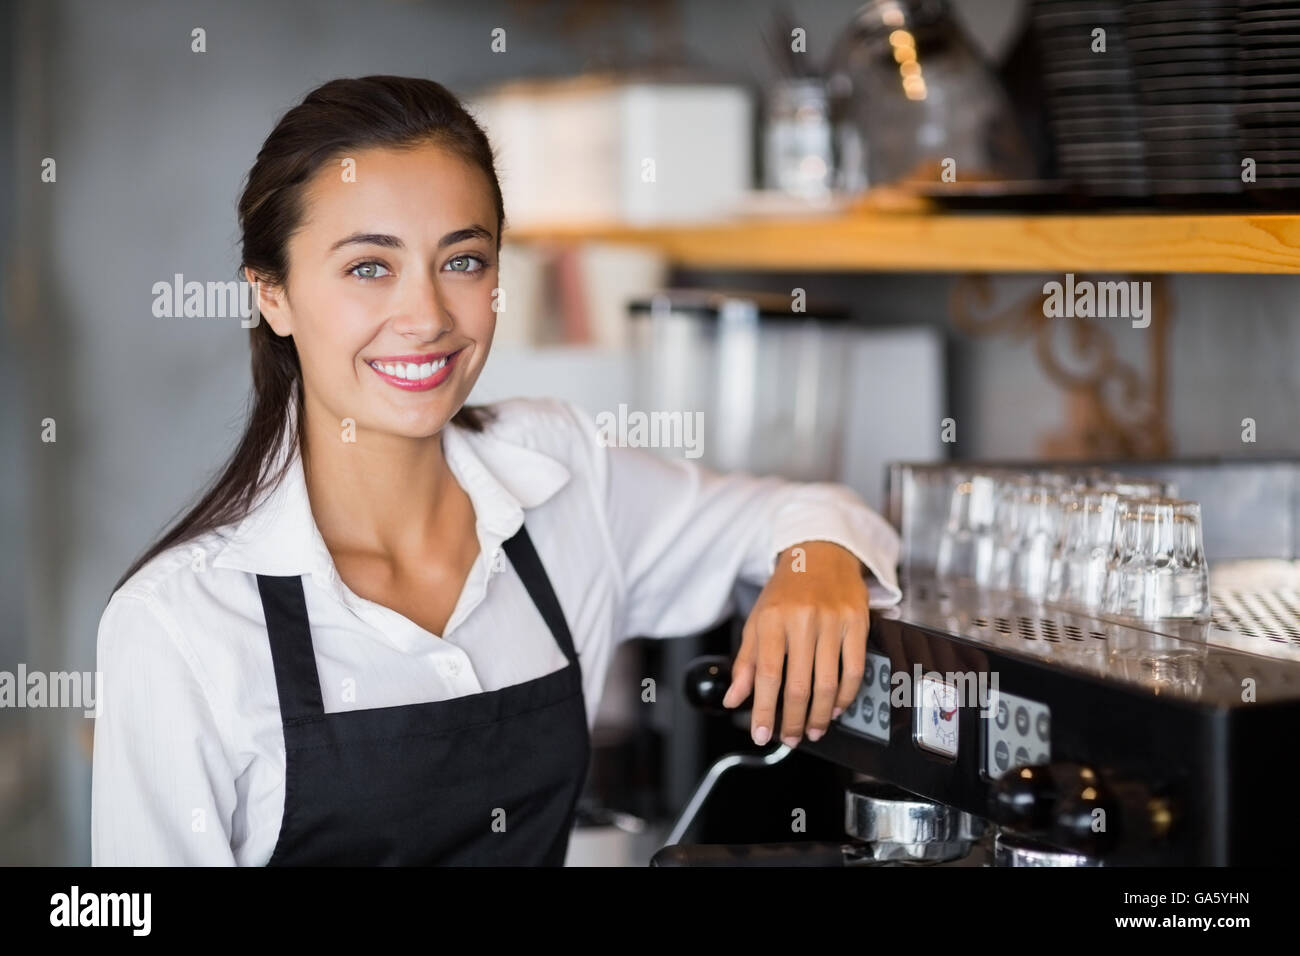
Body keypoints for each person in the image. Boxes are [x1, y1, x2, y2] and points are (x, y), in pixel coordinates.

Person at [90, 75, 901, 866]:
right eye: (369, 267)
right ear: (273, 297)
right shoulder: (180, 623)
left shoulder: (559, 478)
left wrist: (817, 562)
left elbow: (791, 514)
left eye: (463, 261)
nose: (427, 318)